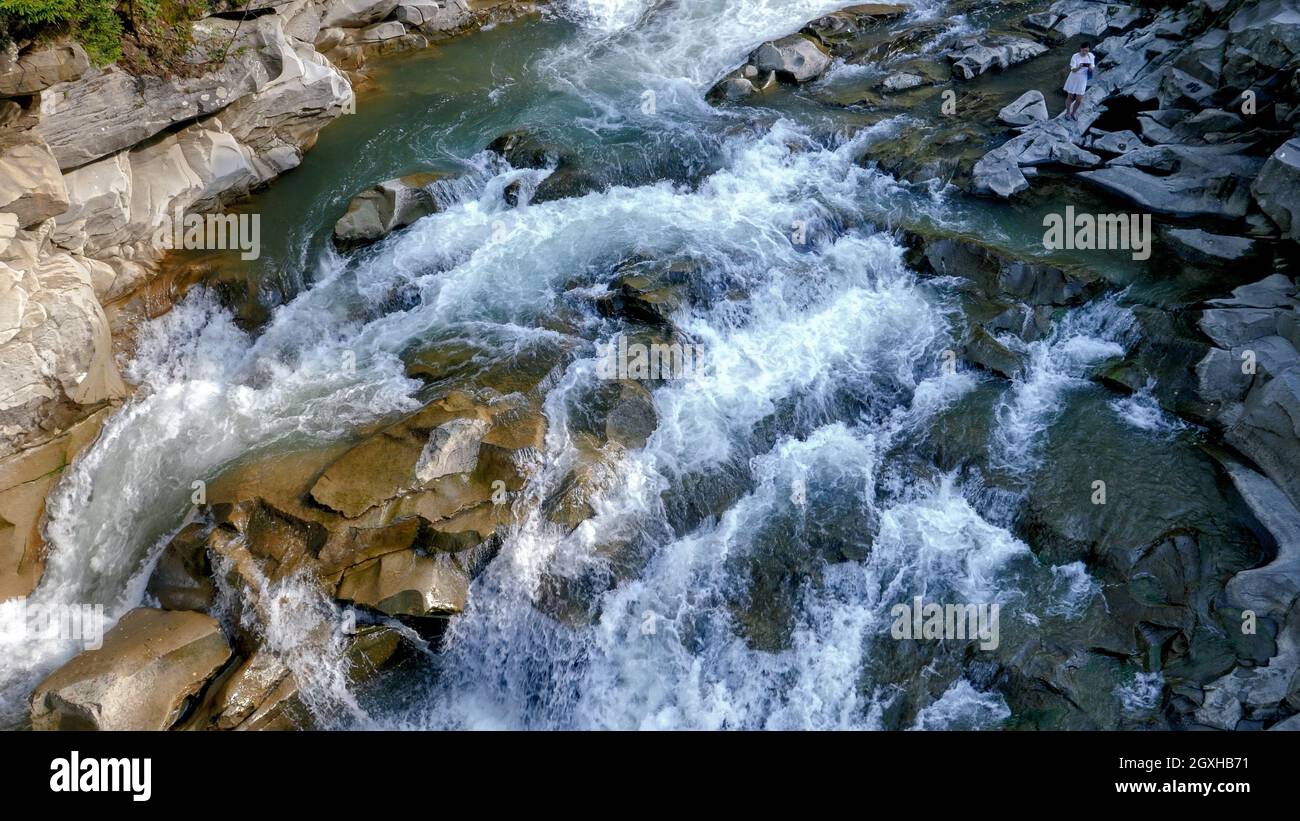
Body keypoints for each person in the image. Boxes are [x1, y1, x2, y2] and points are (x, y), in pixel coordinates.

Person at [1063, 43, 1095, 121]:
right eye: (1084, 50)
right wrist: (1079, 67)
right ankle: (1067, 112)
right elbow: (1073, 70)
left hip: (1083, 79)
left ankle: (1074, 112)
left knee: (1079, 99)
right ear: (1080, 49)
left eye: (1087, 51)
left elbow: (1093, 66)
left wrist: (1091, 68)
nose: (1085, 52)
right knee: (1070, 97)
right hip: (1074, 78)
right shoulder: (1075, 56)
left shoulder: (1090, 56)